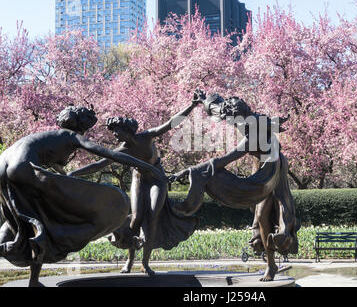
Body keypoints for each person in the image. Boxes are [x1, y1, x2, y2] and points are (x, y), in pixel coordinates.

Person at [0, 105, 166, 286]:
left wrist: (69, 177)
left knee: (17, 220)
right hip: (22, 167)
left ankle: (13, 255)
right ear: (81, 126)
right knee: (43, 221)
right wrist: (148, 166)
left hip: (4, 162)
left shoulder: (48, 137)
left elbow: (56, 167)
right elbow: (109, 155)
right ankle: (33, 278)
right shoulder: (71, 136)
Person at [170, 91, 300, 282]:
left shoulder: (253, 132)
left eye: (232, 121)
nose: (230, 124)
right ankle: (271, 261)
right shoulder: (239, 114)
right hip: (264, 164)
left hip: (272, 170)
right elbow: (218, 106)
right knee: (261, 213)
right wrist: (203, 101)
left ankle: (273, 260)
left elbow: (225, 159)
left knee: (264, 213)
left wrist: (191, 170)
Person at [68, 93, 202, 275]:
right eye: (113, 132)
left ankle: (145, 263)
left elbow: (171, 122)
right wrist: (73, 173)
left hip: (157, 179)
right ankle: (130, 260)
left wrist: (192, 106)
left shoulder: (146, 137)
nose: (114, 135)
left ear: (126, 130)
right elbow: (99, 164)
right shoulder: (122, 149)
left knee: (153, 215)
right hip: (139, 180)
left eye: (117, 131)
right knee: (136, 217)